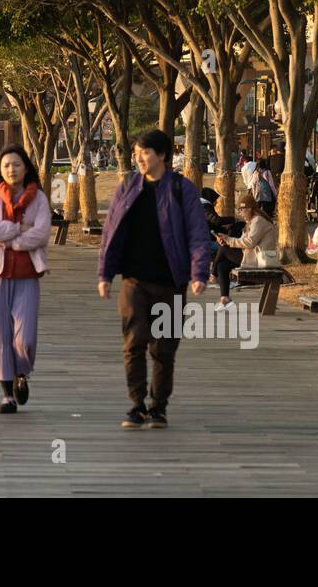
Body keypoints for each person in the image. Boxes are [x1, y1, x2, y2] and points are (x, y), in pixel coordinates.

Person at [97, 129, 210, 430]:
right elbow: (110, 233)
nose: (140, 157)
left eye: (145, 152)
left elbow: (198, 233)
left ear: (162, 155)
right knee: (133, 343)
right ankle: (136, 405)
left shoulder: (181, 189)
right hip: (134, 281)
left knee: (164, 348)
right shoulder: (127, 188)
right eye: (137, 152)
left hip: (170, 282)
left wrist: (199, 273)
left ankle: (158, 407)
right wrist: (105, 274)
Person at [0, 144, 52, 414]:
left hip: (27, 276)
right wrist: (19, 230)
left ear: (26, 168)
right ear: (0, 169)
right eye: (6, 165)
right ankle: (7, 394)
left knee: (24, 337)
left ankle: (22, 372)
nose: (11, 169)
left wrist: (8, 240)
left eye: (16, 164)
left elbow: (41, 234)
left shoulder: (39, 199)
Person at [215, 193, 278, 305]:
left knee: (224, 248)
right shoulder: (251, 222)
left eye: (241, 209)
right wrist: (227, 240)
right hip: (251, 256)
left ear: (249, 209)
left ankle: (212, 274)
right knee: (222, 265)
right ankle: (224, 299)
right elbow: (242, 241)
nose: (240, 213)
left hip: (258, 259)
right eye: (239, 210)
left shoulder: (258, 221)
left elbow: (249, 242)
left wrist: (228, 240)